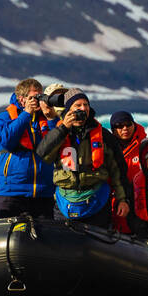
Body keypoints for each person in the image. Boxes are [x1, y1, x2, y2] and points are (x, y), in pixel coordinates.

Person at [36, 88, 130, 227]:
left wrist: (123, 200)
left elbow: (118, 171)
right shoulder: (59, 133)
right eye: (78, 105)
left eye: (85, 105)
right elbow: (42, 153)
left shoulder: (103, 136)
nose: (83, 108)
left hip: (96, 200)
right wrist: (64, 128)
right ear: (68, 109)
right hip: (65, 201)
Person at [0, 78, 59, 219]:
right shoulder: (4, 117)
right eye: (34, 97)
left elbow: (58, 145)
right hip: (11, 191)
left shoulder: (47, 117)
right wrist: (26, 114)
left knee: (44, 238)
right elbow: (6, 140)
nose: (38, 100)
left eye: (40, 96)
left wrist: (52, 119)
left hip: (43, 191)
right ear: (22, 99)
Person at [107, 111, 146, 234]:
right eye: (119, 126)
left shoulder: (146, 145)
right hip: (115, 200)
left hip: (141, 200)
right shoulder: (106, 148)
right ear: (113, 129)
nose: (125, 128)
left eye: (128, 124)